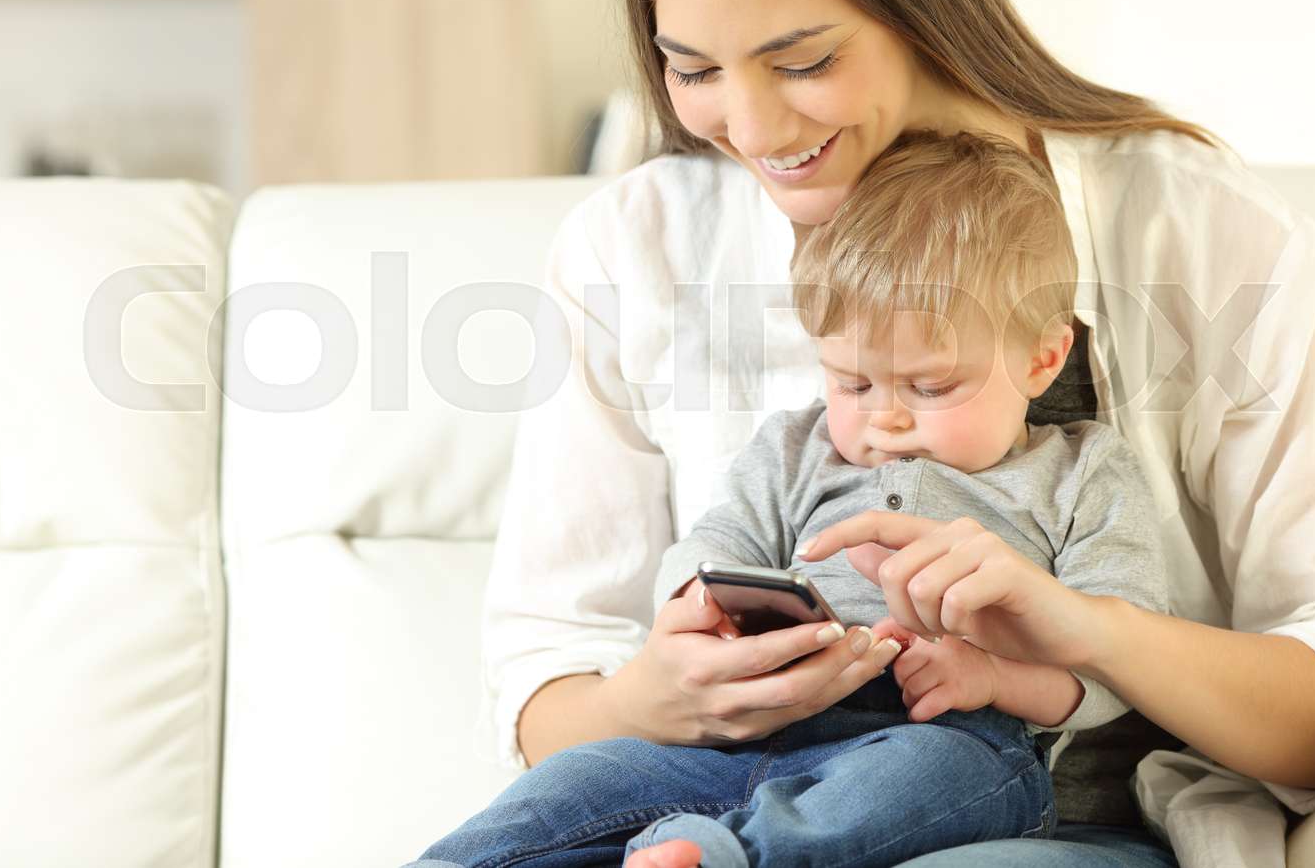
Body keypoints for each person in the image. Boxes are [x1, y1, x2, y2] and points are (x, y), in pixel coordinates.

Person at [410, 0, 1315, 866]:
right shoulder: (629, 246)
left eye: (802, 58)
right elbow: (547, 681)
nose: (755, 131)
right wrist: (657, 693)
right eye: (694, 68)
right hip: (700, 785)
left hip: (1020, 803)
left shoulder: (1202, 230)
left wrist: (1084, 633)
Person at [411, 132, 1169, 866]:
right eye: (852, 381)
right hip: (745, 739)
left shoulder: (1081, 473)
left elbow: (1115, 663)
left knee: (945, 775)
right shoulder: (793, 449)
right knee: (581, 778)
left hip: (942, 737)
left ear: (1043, 357)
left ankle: (730, 854)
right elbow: (714, 547)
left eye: (932, 386)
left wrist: (996, 678)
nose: (886, 415)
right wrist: (720, 611)